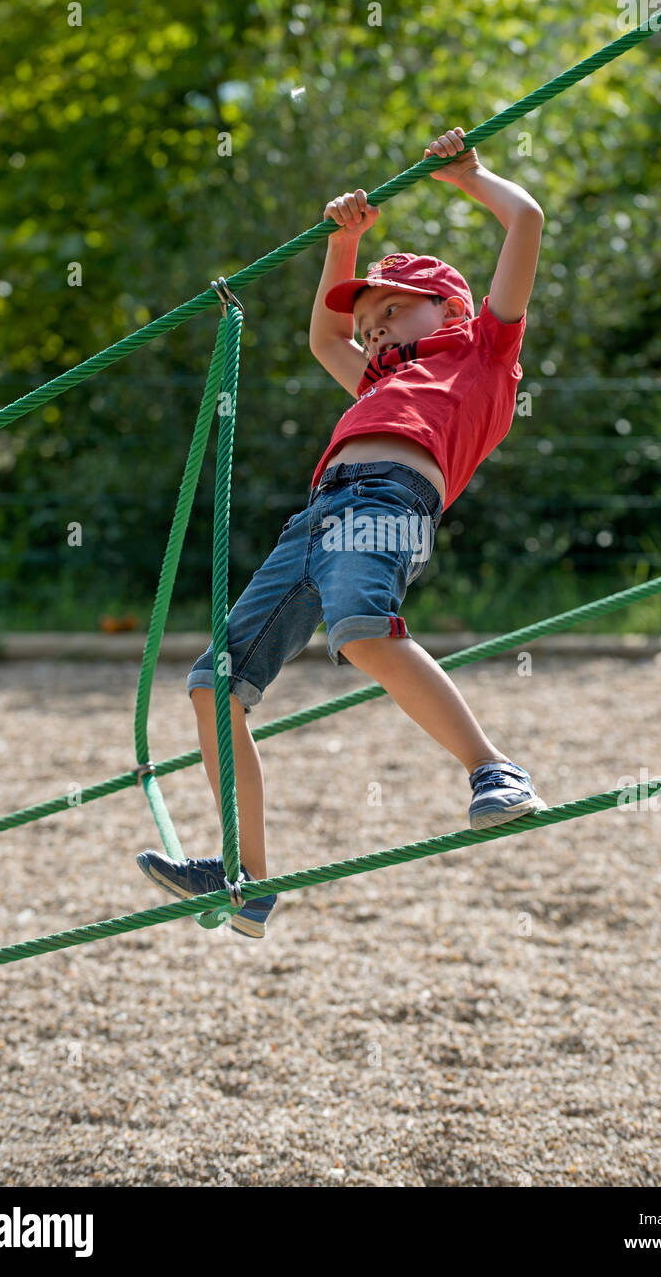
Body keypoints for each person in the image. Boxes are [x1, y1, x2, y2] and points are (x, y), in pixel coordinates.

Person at [138, 126, 547, 938]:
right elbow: (322, 335)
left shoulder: (480, 353)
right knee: (210, 685)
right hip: (317, 513)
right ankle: (246, 877)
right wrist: (344, 245)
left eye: (391, 309)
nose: (373, 330)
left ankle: (494, 770)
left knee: (362, 629)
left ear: (449, 307)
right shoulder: (373, 377)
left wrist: (470, 177)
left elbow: (526, 221)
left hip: (389, 502)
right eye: (368, 322)